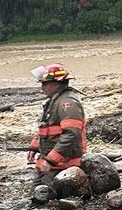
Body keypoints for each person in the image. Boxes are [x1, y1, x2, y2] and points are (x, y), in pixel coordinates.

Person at [28, 63, 87, 193]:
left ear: (57, 84)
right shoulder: (55, 101)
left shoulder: (68, 104)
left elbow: (71, 135)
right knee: (35, 196)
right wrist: (34, 147)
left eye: (45, 84)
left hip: (63, 167)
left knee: (43, 199)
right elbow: (47, 128)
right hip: (54, 165)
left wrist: (50, 161)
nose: (42, 88)